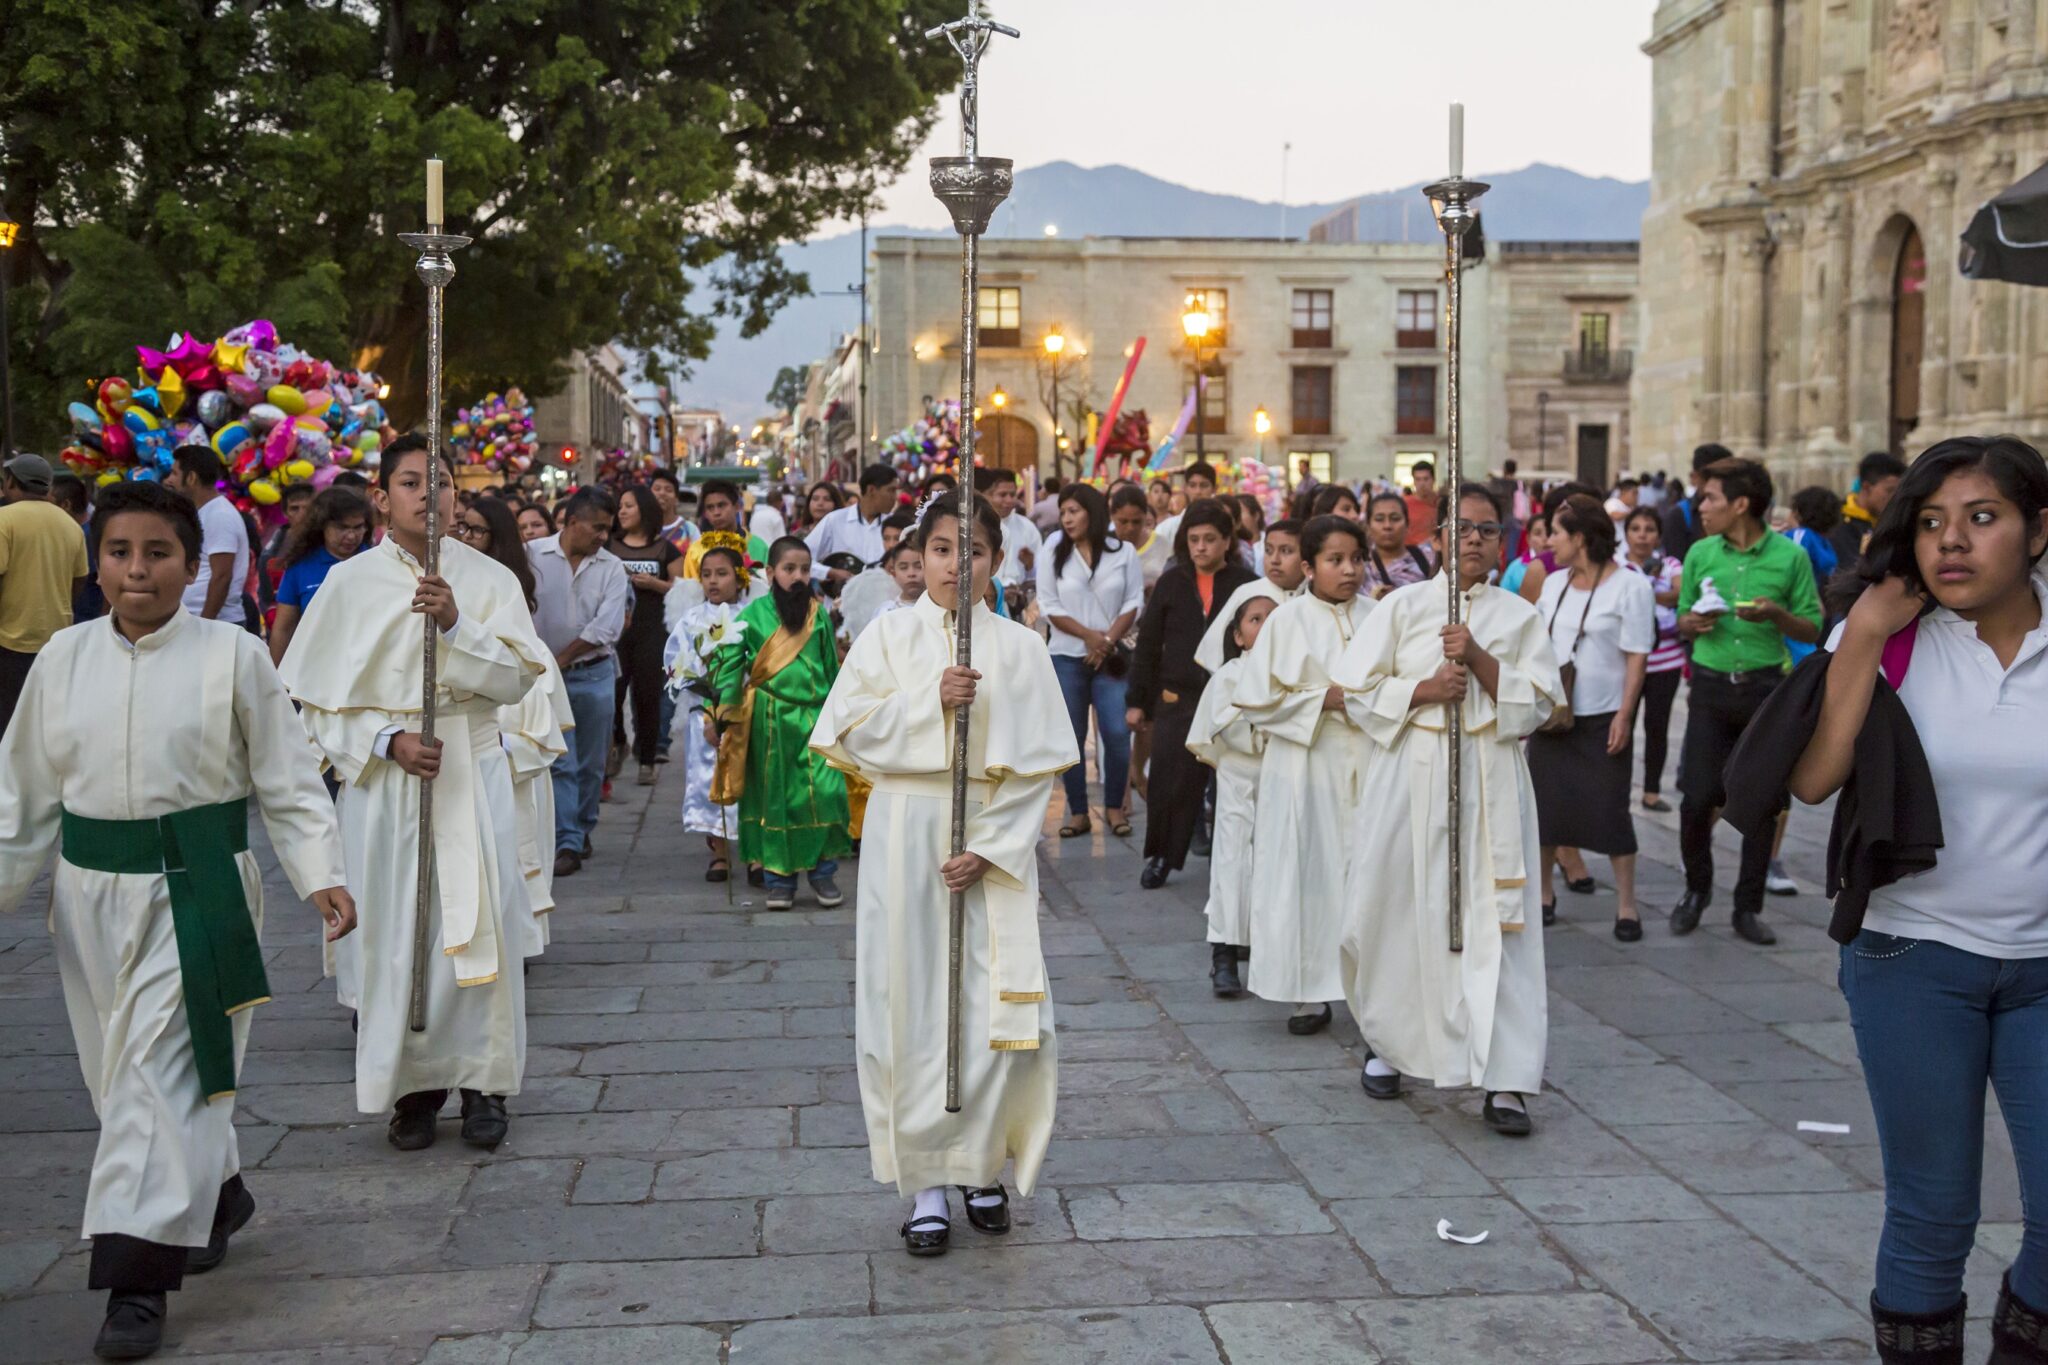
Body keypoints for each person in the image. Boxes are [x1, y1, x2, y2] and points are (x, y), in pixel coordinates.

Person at [0, 481, 352, 1361]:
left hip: (200, 889)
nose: (137, 570)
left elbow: (287, 775)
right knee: (121, 1078)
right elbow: (22, 794)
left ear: (193, 567)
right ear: (96, 563)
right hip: (89, 897)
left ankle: (136, 1278)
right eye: (119, 552)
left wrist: (321, 873)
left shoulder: (233, 656)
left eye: (158, 553)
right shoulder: (62, 658)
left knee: (155, 1080)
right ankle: (220, 1189)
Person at [1778, 436, 2048, 1365]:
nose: (1951, 542)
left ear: (2037, 531)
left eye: (1982, 518)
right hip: (1913, 959)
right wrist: (1860, 632)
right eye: (1931, 522)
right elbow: (1813, 780)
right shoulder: (1895, 639)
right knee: (1935, 1212)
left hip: (2045, 966)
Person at [809, 491, 1077, 1258]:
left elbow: (1039, 766)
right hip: (907, 830)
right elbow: (849, 733)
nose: (957, 564)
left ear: (996, 559)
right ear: (917, 556)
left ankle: (981, 1165)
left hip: (992, 838)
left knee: (992, 1008)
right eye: (941, 548)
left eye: (974, 550)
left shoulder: (1020, 649)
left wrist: (990, 846)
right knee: (911, 1003)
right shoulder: (887, 636)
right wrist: (930, 702)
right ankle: (926, 1180)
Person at [280, 434, 546, 1154]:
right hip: (387, 788)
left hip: (471, 772)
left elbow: (519, 680)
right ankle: (412, 1090)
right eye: (410, 481)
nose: (430, 493)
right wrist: (384, 740)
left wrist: (457, 624)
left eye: (443, 481)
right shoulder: (348, 585)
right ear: (381, 496)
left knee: (481, 926)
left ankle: (485, 1084)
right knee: (397, 931)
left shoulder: (490, 579)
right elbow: (315, 705)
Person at [1335, 482, 1563, 1136]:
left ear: (1503, 542)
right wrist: (1426, 689)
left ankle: (1507, 1076)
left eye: (1488, 530)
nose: (1473, 539)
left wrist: (1480, 658)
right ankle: (1391, 1045)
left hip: (1491, 782)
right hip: (1411, 774)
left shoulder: (1519, 616)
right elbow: (1355, 691)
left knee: (1498, 926)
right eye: (1461, 528)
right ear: (1437, 537)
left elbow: (1541, 706)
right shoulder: (1401, 608)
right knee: (1398, 908)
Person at [1232, 514, 1375, 1035]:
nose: (1349, 570)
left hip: (1370, 759)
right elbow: (1255, 698)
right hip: (1305, 763)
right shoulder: (1286, 622)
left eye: (1356, 559)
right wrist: (1323, 700)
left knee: (1368, 872)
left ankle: (1374, 988)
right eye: (1335, 560)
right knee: (1307, 874)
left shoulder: (1380, 616)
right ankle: (1308, 990)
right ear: (1309, 566)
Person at [1672, 457, 1822, 944]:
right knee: (1697, 798)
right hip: (1710, 688)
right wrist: (1692, 622)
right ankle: (1696, 890)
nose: (1701, 506)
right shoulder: (1700, 553)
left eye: (1710, 497)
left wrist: (1777, 615)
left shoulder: (1790, 557)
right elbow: (1682, 617)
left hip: (1764, 691)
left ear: (1740, 504)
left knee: (1762, 802)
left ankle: (1747, 907)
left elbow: (1812, 626)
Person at [1527, 495, 1655, 939]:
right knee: (1545, 811)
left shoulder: (1630, 586)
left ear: (1579, 538)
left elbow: (1637, 656)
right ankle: (1544, 894)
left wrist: (1625, 714)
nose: (1549, 541)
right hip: (1554, 714)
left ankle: (1626, 906)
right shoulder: (1553, 583)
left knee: (1611, 808)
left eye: (1556, 533)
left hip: (1603, 716)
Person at [705, 538, 852, 910]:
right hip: (768, 722)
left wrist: (842, 714)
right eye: (789, 569)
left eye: (804, 569)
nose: (798, 577)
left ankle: (822, 873)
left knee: (825, 795)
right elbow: (728, 669)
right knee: (775, 800)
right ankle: (779, 880)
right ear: (770, 573)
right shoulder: (750, 616)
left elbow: (831, 668)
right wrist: (718, 714)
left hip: (816, 718)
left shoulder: (818, 615)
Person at [459, 496, 570, 959]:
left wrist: (503, 745)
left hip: (507, 762)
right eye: (460, 528)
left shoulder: (525, 641)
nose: (464, 538)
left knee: (512, 856)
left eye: (476, 530)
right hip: (454, 762)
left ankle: (519, 940)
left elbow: (543, 735)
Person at [1126, 499, 1257, 889]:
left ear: (1227, 541)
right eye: (1194, 539)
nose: (1201, 547)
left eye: (1210, 539)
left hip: (1231, 701)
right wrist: (1137, 700)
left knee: (1232, 784)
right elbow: (1149, 644)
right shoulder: (1172, 581)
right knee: (1169, 781)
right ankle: (1161, 857)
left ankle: (1232, 862)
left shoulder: (1246, 585)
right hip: (1176, 697)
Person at [527, 490, 628, 878]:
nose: (603, 536)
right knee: (559, 760)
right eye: (597, 527)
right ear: (572, 522)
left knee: (591, 762)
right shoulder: (533, 555)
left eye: (608, 529)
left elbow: (607, 628)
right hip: (543, 677)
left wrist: (561, 659)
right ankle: (566, 839)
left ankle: (582, 826)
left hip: (594, 673)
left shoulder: (612, 567)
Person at [1187, 589, 1281, 998]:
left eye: (1274, 617)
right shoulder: (1229, 676)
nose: (1266, 625)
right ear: (1239, 636)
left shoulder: (1295, 672)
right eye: (1255, 619)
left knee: (1277, 865)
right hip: (1240, 778)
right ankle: (1223, 955)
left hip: (1284, 778)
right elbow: (1225, 724)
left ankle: (1270, 954)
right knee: (1232, 862)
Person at [1038, 483, 1143, 839]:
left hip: (1110, 658)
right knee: (1072, 737)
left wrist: (1107, 640)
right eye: (1063, 513)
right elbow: (1049, 604)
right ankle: (1079, 811)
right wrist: (1089, 637)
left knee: (1116, 732)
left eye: (1073, 511)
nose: (1066, 519)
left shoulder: (1123, 551)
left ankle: (1114, 807)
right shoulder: (1054, 547)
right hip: (1067, 656)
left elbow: (1133, 601)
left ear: (1093, 512)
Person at [665, 537, 749, 881]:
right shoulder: (691, 619)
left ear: (739, 578)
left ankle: (755, 852)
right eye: (707, 574)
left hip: (743, 712)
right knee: (709, 778)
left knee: (748, 778)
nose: (713, 581)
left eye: (722, 574)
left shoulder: (752, 616)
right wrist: (697, 673)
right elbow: (675, 659)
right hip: (705, 711)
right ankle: (719, 852)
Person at [0, 454, 89, 737]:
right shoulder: (70, 525)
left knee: (10, 725)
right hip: (57, 640)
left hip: (10, 642)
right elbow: (80, 577)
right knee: (46, 723)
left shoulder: (4, 519)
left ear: (11, 481)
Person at [608, 486, 683, 787]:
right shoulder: (610, 547)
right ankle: (618, 740)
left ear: (645, 509)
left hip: (653, 632)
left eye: (629, 506)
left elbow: (681, 589)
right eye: (621, 506)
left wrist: (654, 584)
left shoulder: (666, 549)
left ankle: (648, 758)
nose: (622, 511)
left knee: (647, 696)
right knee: (613, 693)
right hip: (616, 633)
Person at [1622, 506, 1685, 813]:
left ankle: (1651, 791)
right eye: (1636, 529)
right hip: (1627, 661)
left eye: (1649, 529)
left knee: (1657, 727)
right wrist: (1656, 592)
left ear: (1658, 536)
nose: (1642, 536)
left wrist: (1642, 593)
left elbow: (1680, 594)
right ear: (1626, 534)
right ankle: (1619, 789)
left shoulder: (1670, 564)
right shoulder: (1617, 567)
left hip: (1666, 661)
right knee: (1623, 723)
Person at [268, 486, 371, 665]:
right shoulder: (300, 567)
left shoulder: (375, 562)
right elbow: (283, 629)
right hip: (315, 666)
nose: (351, 536)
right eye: (342, 528)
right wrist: (274, 676)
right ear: (322, 525)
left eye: (358, 527)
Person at [162, 447, 249, 628]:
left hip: (218, 624)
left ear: (191, 478)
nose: (169, 480)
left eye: (174, 473)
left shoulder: (220, 515)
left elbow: (222, 576)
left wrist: (205, 625)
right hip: (196, 621)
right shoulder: (205, 511)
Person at [806, 463, 899, 588]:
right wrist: (829, 572)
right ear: (871, 490)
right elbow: (801, 557)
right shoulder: (835, 521)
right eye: (891, 490)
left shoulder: (894, 524)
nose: (895, 497)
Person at [1829, 451, 1907, 569]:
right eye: (1889, 490)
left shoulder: (1895, 522)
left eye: (1898, 492)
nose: (1895, 497)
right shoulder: (1838, 522)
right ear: (1866, 487)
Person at [1660, 442, 1731, 565]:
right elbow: (1676, 567)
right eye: (1710, 477)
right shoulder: (1678, 515)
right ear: (1695, 477)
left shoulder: (1735, 512)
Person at [257, 482, 316, 622]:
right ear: (285, 513)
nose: (302, 514)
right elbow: (267, 598)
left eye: (307, 508)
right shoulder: (271, 552)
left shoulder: (330, 544)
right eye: (295, 509)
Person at [976, 466, 1044, 589]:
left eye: (1012, 495)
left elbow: (1041, 573)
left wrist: (1030, 565)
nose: (1009, 500)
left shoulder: (1027, 527)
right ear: (987, 495)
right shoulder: (977, 526)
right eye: (1002, 495)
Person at [683, 481, 768, 578]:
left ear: (737, 506)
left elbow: (767, 583)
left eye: (721, 505)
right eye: (710, 508)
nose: (716, 512)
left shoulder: (759, 547)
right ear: (705, 513)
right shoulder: (695, 551)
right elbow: (691, 586)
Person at [1362, 491, 1437, 598]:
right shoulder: (1362, 567)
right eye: (1379, 519)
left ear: (1407, 524)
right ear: (1368, 526)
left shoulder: (1429, 558)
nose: (1387, 526)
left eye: (1395, 519)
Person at [1500, 509, 1550, 597]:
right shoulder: (1515, 567)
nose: (1545, 538)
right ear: (1528, 539)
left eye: (1549, 533)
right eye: (1538, 533)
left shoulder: (1564, 566)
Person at [649, 468, 696, 551]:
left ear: (676, 499)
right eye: (657, 489)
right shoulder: (640, 528)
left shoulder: (690, 530)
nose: (662, 493)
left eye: (668, 490)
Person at [1263, 519, 1305, 594]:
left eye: (1286, 551)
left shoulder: (1322, 596)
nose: (1274, 560)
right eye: (1268, 550)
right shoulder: (1246, 593)